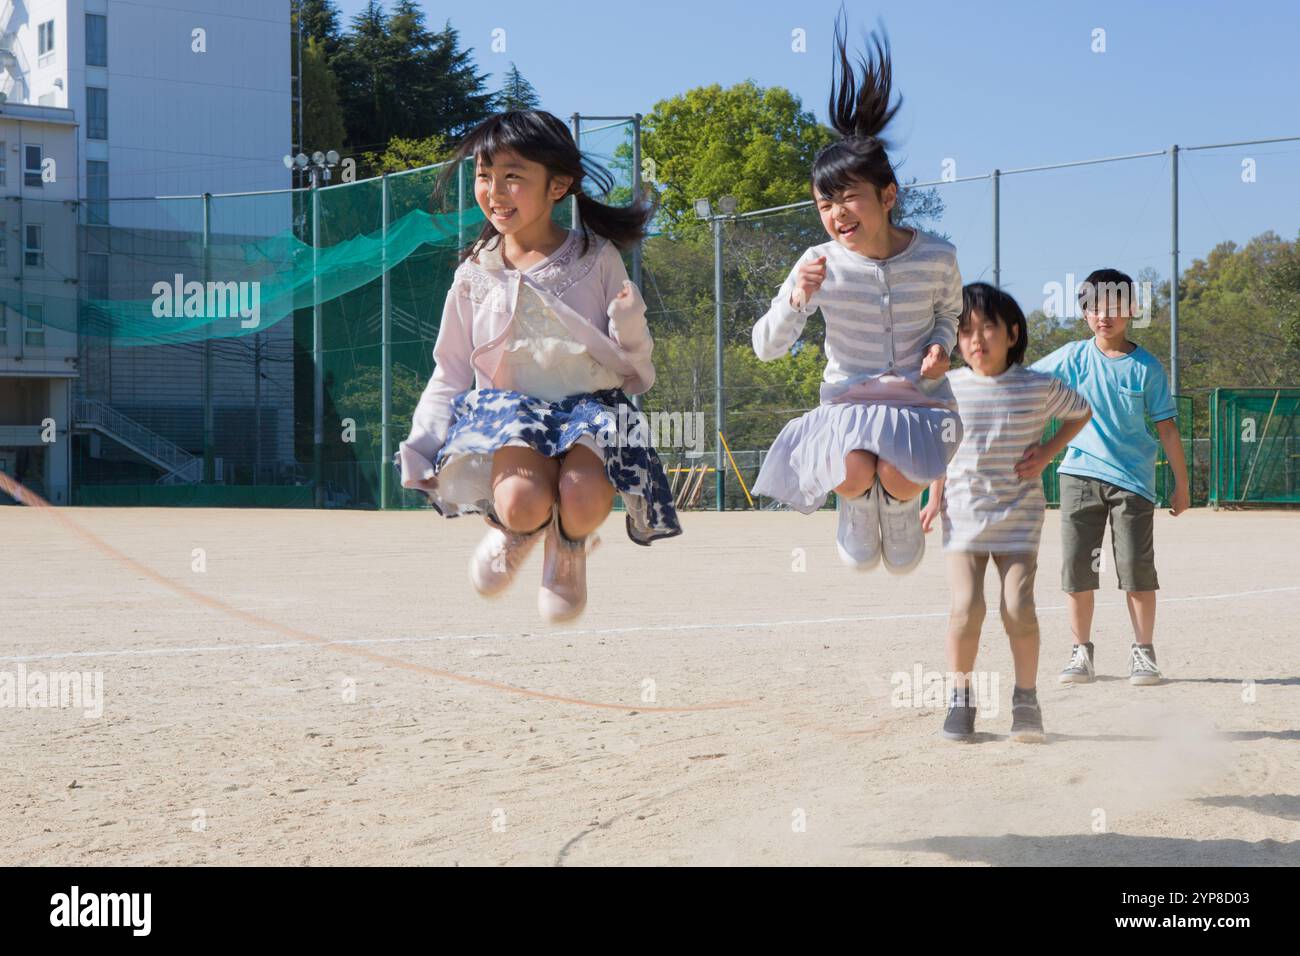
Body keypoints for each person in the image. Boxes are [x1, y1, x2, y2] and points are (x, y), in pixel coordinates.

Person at [396, 109, 681, 624]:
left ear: (559, 185)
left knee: (584, 499)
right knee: (523, 500)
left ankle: (570, 546)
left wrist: (630, 321)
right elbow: (451, 370)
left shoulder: (596, 257)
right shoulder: (472, 275)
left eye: (512, 176)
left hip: (589, 413)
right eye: (484, 175)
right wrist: (421, 442)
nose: (494, 191)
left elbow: (636, 367)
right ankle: (518, 530)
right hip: (510, 416)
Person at [751, 13, 963, 574]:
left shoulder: (937, 255)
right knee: (852, 468)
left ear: (888, 195)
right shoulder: (816, 263)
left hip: (920, 402)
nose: (836, 213)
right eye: (824, 203)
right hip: (847, 404)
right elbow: (766, 347)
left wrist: (944, 345)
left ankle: (897, 506)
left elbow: (950, 312)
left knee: (894, 472)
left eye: (848, 197)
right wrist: (796, 299)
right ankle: (855, 506)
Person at [921, 284, 1091, 741]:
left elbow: (1081, 412)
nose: (977, 340)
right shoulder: (948, 387)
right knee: (966, 607)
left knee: (1017, 607)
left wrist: (1047, 453)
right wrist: (934, 495)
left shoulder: (1038, 386)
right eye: (966, 331)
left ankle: (1026, 699)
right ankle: (960, 700)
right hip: (964, 514)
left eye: (988, 328)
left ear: (1013, 333)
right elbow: (942, 444)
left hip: (1019, 515)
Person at [1030, 268, 1190, 685]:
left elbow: (1167, 429)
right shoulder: (1071, 357)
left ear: (1132, 310)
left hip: (1133, 484)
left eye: (1115, 308)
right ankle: (1080, 653)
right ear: (1084, 314)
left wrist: (1182, 484)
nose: (1105, 316)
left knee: (1136, 569)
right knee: (1078, 569)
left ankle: (1144, 653)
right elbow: (1024, 385)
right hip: (1078, 476)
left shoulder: (1148, 368)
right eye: (1095, 308)